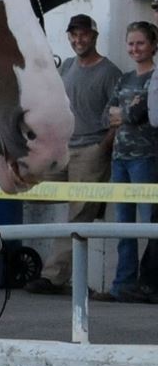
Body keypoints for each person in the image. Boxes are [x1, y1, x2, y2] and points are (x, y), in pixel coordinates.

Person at [30, 15, 122, 295]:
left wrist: (103, 147)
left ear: (94, 37)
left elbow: (119, 117)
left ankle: (53, 277)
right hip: (63, 149)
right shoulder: (68, 66)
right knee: (25, 181)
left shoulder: (110, 72)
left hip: (91, 151)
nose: (78, 40)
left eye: (83, 35)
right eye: (73, 35)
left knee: (78, 215)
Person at [105, 21, 158, 301]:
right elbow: (108, 115)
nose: (135, 48)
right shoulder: (124, 79)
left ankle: (150, 283)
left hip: (146, 159)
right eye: (131, 43)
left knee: (151, 224)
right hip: (119, 158)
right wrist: (128, 111)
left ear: (152, 45)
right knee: (122, 225)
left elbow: (143, 115)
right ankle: (122, 284)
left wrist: (124, 114)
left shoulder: (155, 78)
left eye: (140, 43)